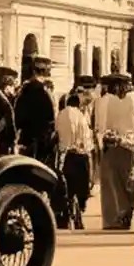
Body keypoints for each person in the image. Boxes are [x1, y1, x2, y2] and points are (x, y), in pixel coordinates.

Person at [96, 74, 134, 230]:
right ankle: (129, 213)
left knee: (111, 184)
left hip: (110, 146)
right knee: (128, 182)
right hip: (130, 145)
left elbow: (99, 126)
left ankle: (114, 219)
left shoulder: (103, 101)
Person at [56, 92, 94, 229]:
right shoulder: (81, 116)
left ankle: (66, 216)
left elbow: (58, 135)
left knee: (69, 188)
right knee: (81, 188)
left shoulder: (60, 115)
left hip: (66, 156)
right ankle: (78, 215)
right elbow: (86, 141)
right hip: (80, 155)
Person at [14, 56, 57, 163]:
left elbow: (18, 115)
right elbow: (50, 116)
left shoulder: (24, 90)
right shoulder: (42, 91)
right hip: (40, 140)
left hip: (26, 137)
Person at [0, 67, 19, 155]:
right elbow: (8, 112)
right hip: (2, 130)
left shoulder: (2, 93)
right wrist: (13, 134)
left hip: (4, 131)